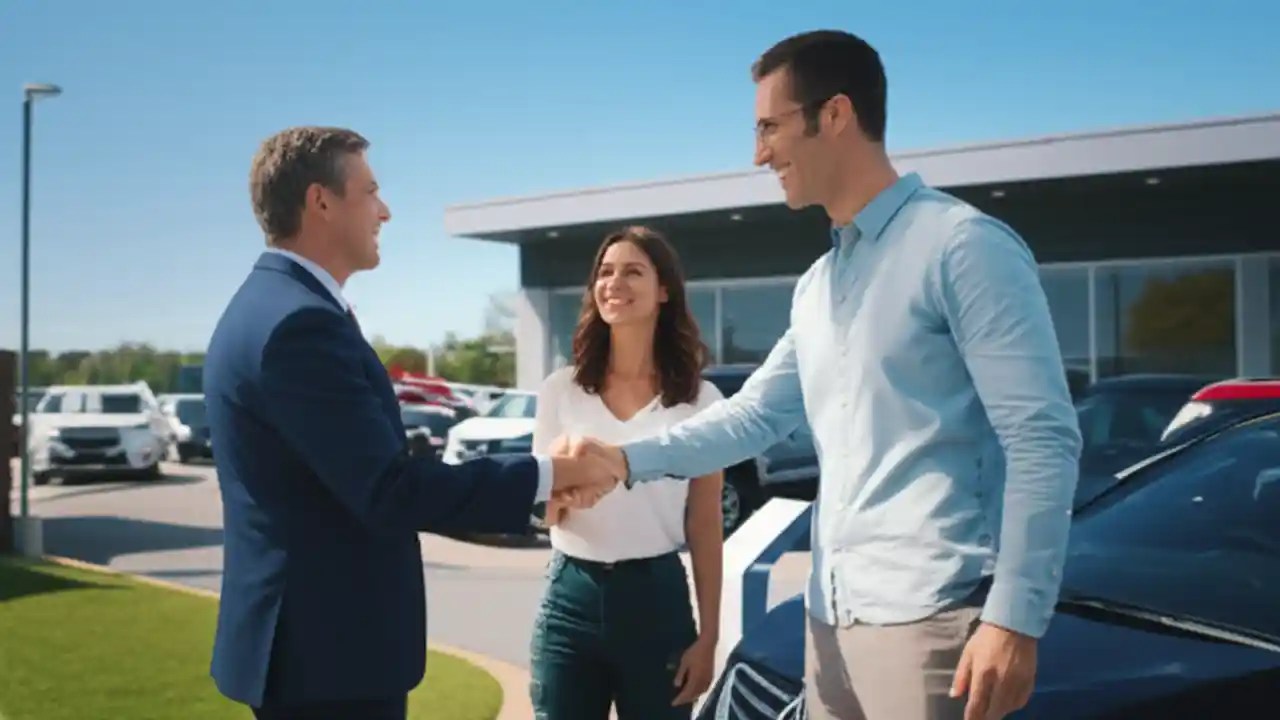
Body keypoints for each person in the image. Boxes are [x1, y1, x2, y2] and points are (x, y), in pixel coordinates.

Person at [562, 30, 1083, 720]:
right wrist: (624, 459)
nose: (759, 153)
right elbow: (754, 417)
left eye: (770, 127)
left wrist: (1014, 619)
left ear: (834, 115)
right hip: (828, 626)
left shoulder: (961, 247)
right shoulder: (818, 285)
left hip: (932, 627)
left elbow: (1043, 438)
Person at [203, 126, 617, 720]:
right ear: (321, 201)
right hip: (327, 663)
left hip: (305, 654)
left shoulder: (268, 306)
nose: (385, 211)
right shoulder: (300, 326)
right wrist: (550, 475)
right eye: (370, 191)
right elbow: (387, 490)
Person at [528, 226, 726, 719]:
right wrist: (562, 498)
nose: (615, 282)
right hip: (569, 598)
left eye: (633, 271)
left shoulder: (702, 402)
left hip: (657, 600)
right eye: (606, 271)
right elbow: (541, 509)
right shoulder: (561, 390)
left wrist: (709, 638)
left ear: (664, 291)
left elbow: (705, 525)